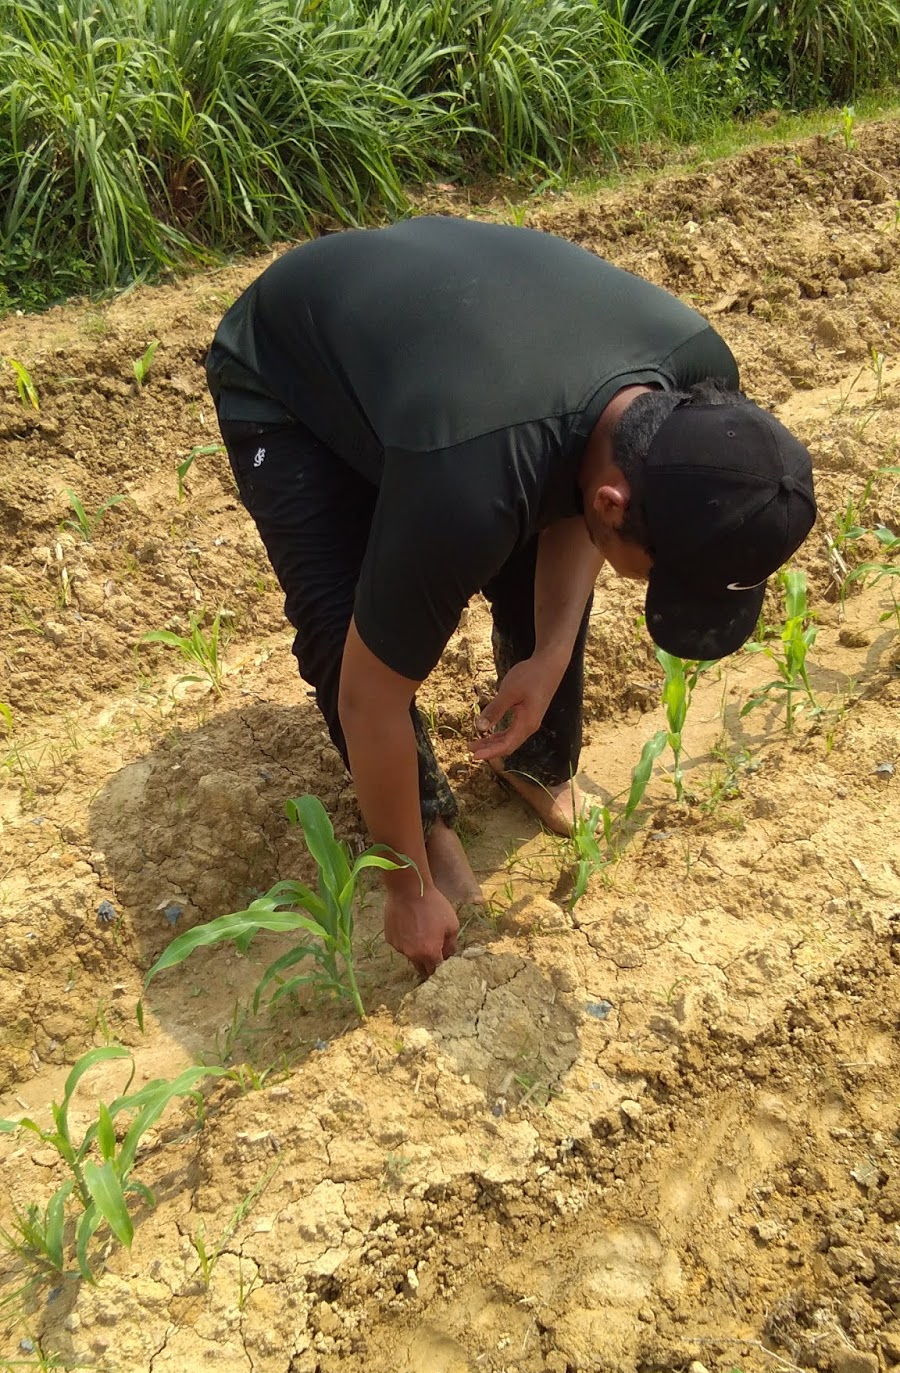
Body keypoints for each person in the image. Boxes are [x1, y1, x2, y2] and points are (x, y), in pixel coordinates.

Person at [206, 216, 817, 975]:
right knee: (347, 625)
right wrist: (403, 885)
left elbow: (576, 491)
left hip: (457, 357)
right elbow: (371, 697)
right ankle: (427, 838)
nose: (659, 586)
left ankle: (531, 761)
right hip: (290, 368)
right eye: (662, 575)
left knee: (525, 545)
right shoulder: (470, 483)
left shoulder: (701, 389)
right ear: (613, 504)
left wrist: (551, 655)